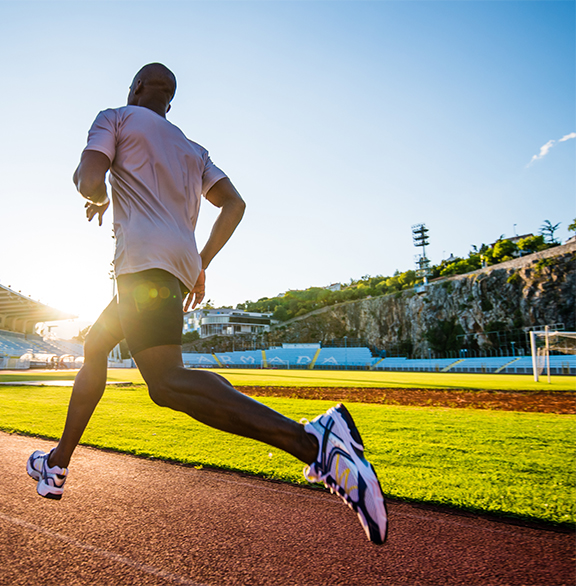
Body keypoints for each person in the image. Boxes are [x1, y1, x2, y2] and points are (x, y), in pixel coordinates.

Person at [27, 63, 388, 545]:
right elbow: (234, 204)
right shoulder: (193, 150)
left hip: (142, 266)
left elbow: (87, 178)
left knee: (166, 383)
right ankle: (57, 465)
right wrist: (201, 262)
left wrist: (95, 194)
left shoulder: (114, 118)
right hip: (171, 268)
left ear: (135, 89)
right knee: (96, 348)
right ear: (170, 101)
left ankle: (315, 441)